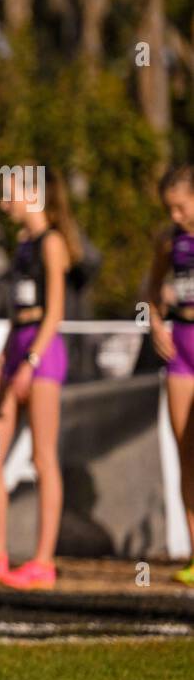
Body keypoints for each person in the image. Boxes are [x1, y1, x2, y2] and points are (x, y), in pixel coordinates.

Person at [0, 164, 80, 590]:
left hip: (42, 358)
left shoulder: (52, 243)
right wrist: (1, 364)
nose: (5, 201)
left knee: (43, 459)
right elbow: (16, 314)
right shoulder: (22, 244)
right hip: (17, 353)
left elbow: (55, 312)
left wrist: (30, 361)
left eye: (11, 193)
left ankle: (43, 561)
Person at [143, 164, 194, 587]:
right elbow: (150, 291)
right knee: (186, 454)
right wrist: (156, 324)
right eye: (169, 209)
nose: (175, 216)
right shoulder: (169, 241)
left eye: (180, 207)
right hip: (182, 351)